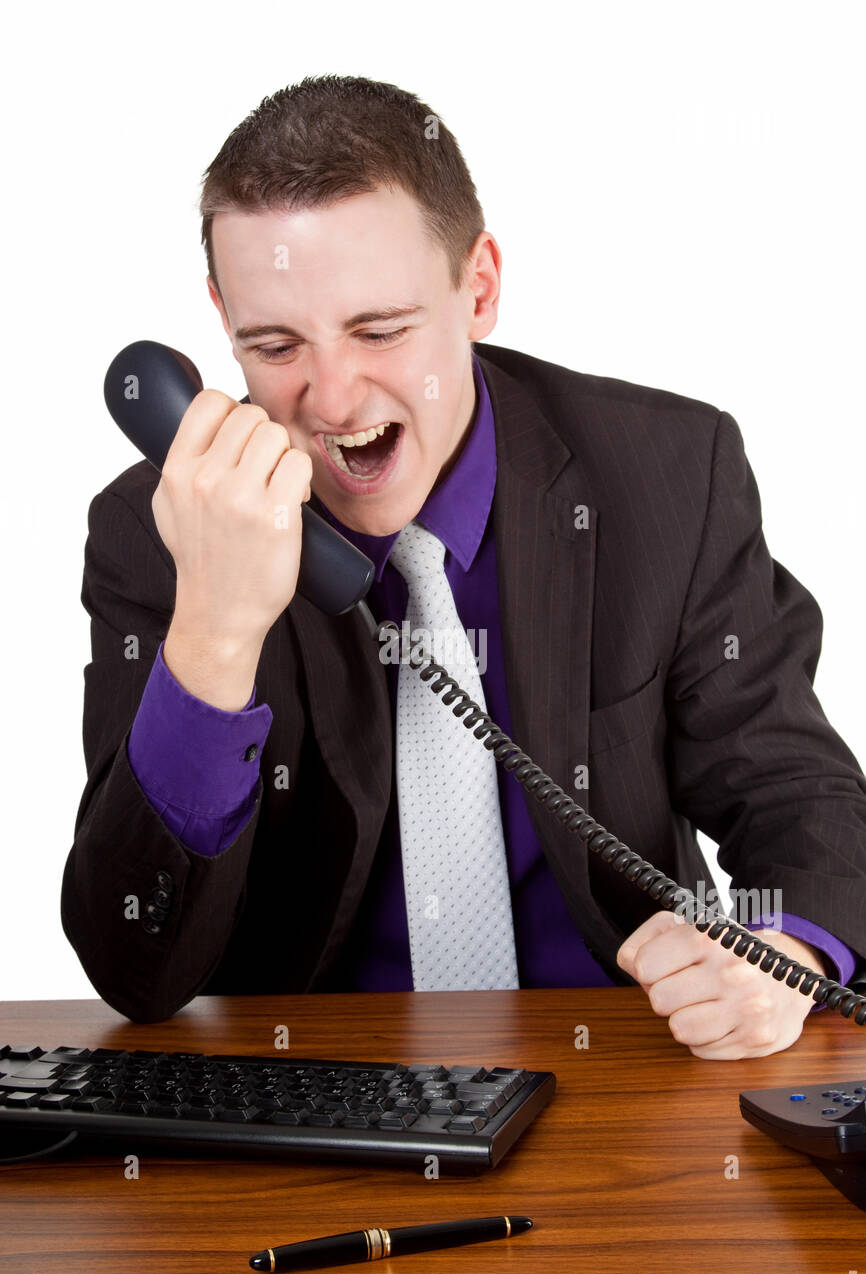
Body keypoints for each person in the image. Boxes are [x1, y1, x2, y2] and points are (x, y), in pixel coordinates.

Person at [61, 75, 866, 1057]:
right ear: (220, 316)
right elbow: (137, 966)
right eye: (273, 344)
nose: (329, 397)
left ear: (477, 286)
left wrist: (786, 950)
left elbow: (794, 793)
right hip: (310, 1091)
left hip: (619, 1067)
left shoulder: (662, 472)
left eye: (379, 330)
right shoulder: (154, 532)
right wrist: (216, 631)